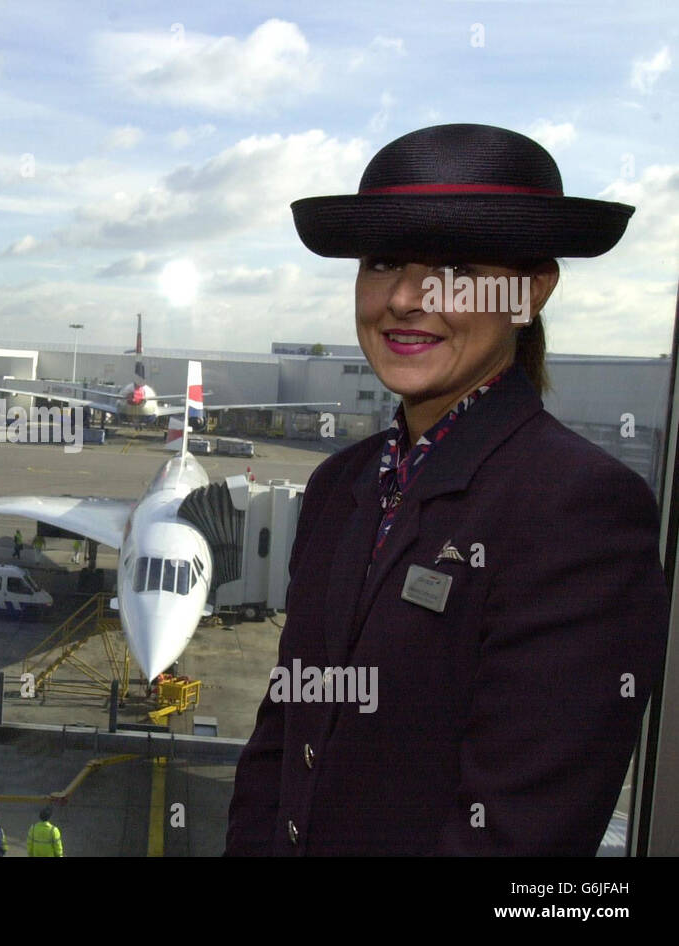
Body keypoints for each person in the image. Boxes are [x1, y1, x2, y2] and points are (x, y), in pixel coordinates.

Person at [225, 124, 669, 856]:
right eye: (384, 261)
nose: (404, 298)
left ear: (531, 290)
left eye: (455, 268)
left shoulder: (579, 508)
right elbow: (283, 738)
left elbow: (522, 835)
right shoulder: (342, 484)